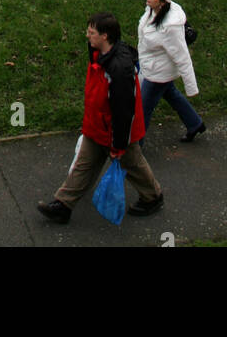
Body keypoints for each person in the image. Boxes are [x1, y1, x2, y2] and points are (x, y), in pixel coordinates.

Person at [37, 12, 163, 224]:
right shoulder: (101, 54)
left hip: (116, 133)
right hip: (97, 126)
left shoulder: (119, 70)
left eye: (92, 31)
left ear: (105, 36)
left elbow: (123, 111)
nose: (87, 35)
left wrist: (118, 144)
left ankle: (153, 196)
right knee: (84, 165)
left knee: (132, 164)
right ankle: (64, 204)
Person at [137, 0, 205, 141]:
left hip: (158, 74)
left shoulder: (170, 27)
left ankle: (136, 147)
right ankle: (195, 123)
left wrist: (191, 87)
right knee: (171, 94)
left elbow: (182, 56)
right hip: (156, 68)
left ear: (162, 1)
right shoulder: (153, 11)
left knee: (142, 109)